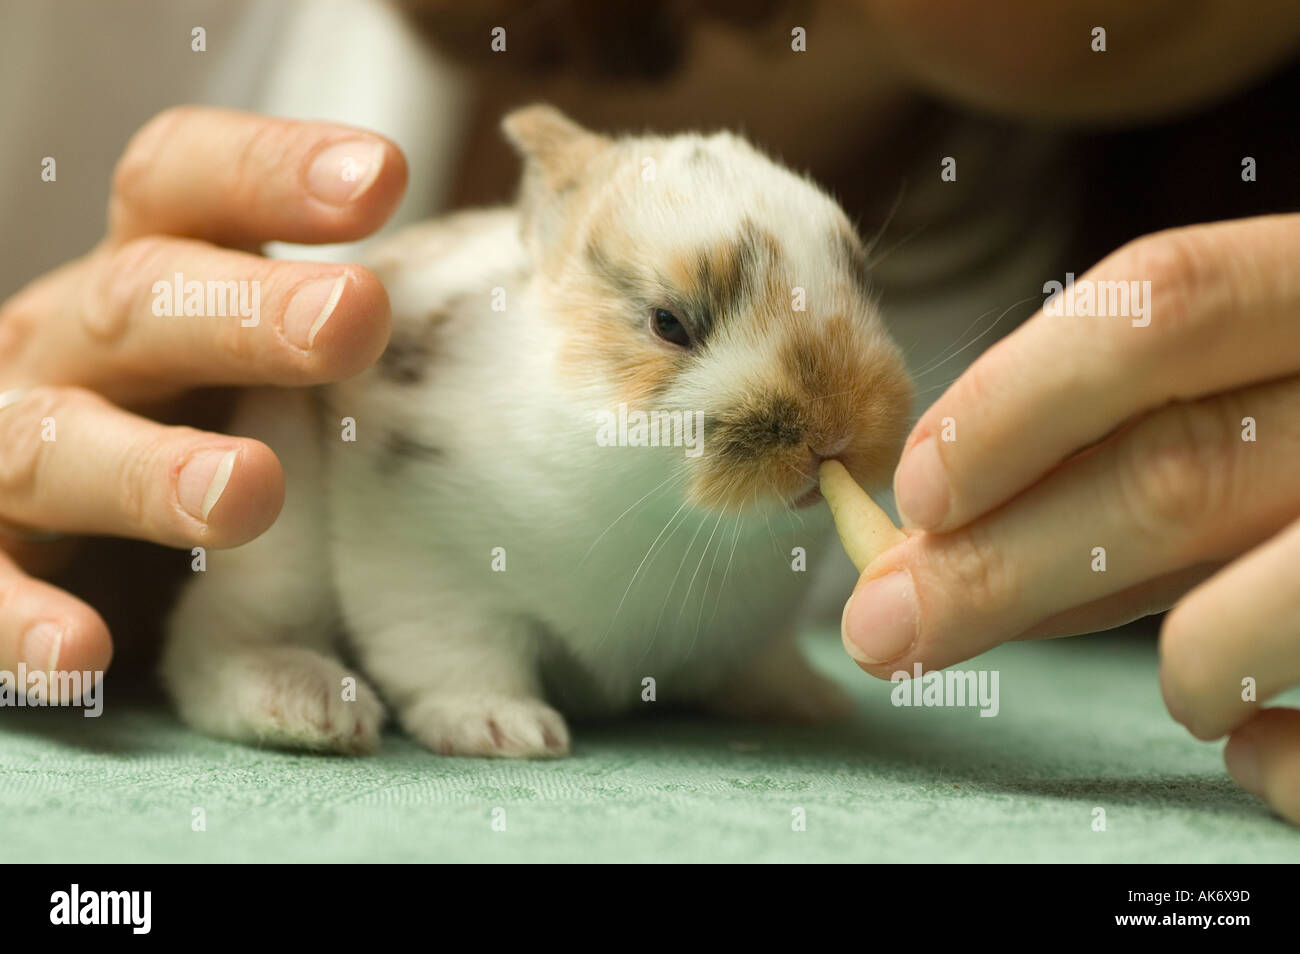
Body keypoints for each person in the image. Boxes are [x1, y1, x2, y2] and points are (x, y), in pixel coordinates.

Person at [2, 0, 1298, 823]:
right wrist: (462, 670)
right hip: (294, 537)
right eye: (679, 327)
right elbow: (403, 512)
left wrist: (742, 651)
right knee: (284, 459)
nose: (825, 414)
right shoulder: (77, 50)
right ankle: (233, 653)